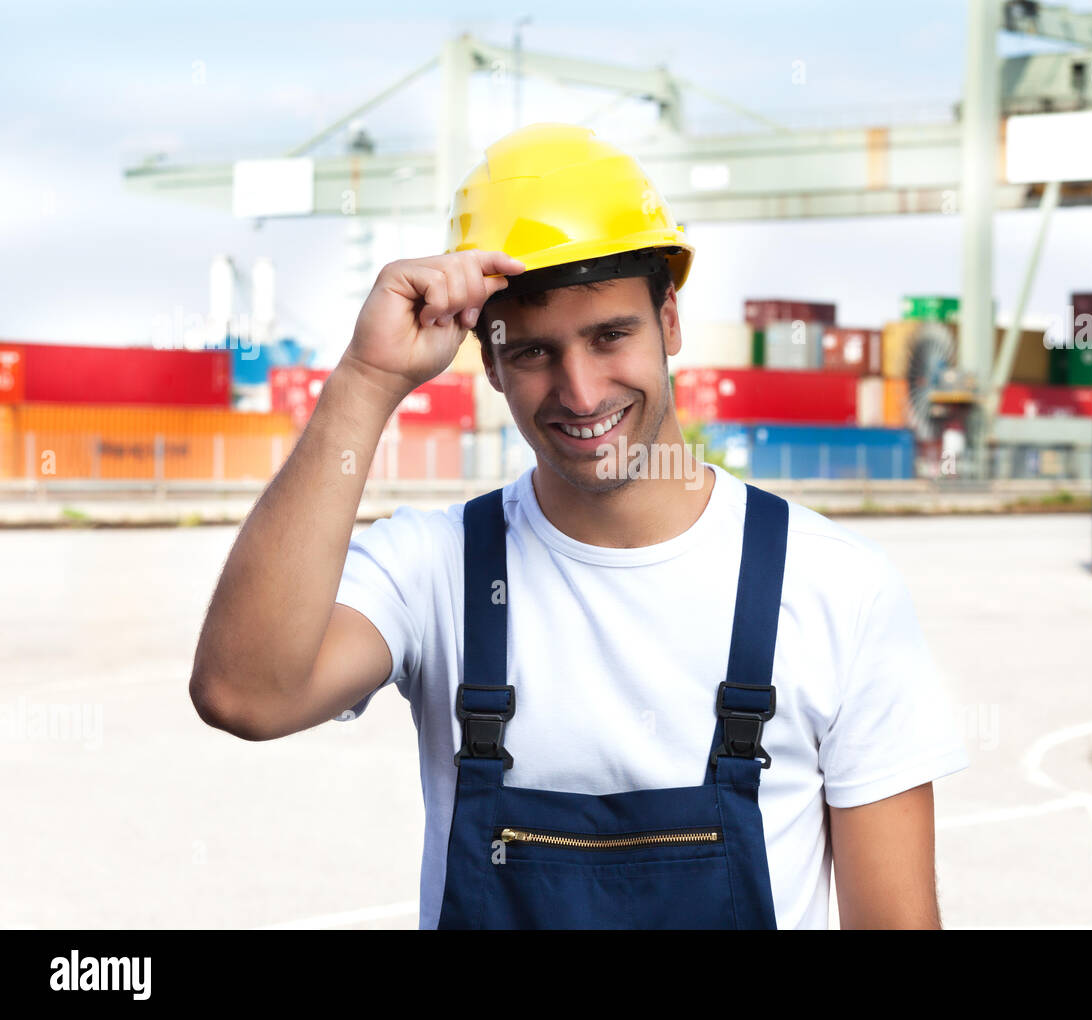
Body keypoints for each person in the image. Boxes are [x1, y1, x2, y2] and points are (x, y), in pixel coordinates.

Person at [189, 122, 969, 930]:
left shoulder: (835, 585)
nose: (582, 390)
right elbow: (244, 694)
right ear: (487, 364)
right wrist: (365, 379)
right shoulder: (434, 570)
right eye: (532, 353)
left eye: (609, 336)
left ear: (669, 321)